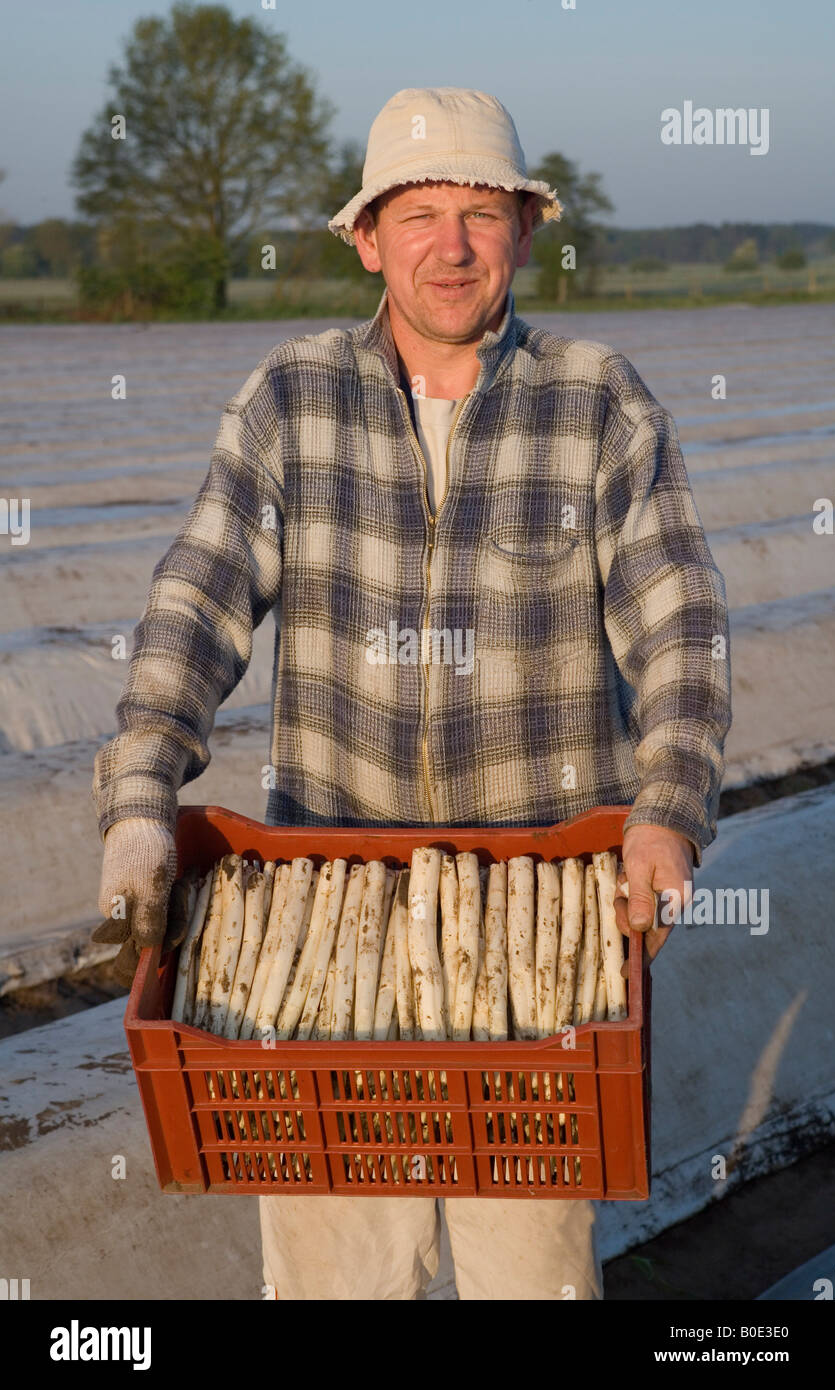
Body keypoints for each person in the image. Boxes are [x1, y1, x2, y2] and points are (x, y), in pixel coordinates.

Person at [91, 87, 732, 1300]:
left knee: (527, 1268)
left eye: (481, 215)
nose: (451, 246)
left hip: (532, 925)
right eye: (421, 213)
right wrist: (139, 796)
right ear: (366, 236)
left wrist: (666, 805)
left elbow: (679, 622)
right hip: (329, 918)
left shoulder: (598, 400)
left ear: (525, 233)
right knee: (340, 1268)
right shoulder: (290, 398)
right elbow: (197, 600)